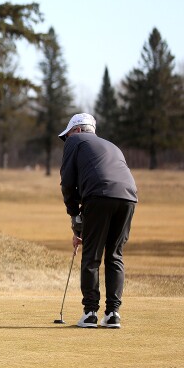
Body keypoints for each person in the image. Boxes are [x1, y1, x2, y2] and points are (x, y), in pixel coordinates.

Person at [59, 113, 138, 329]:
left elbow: (67, 182)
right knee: (114, 255)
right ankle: (113, 314)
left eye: (67, 135)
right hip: (129, 198)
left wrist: (75, 217)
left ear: (76, 130)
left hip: (98, 195)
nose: (67, 140)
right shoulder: (111, 145)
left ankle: (90, 313)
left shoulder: (75, 141)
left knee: (92, 256)